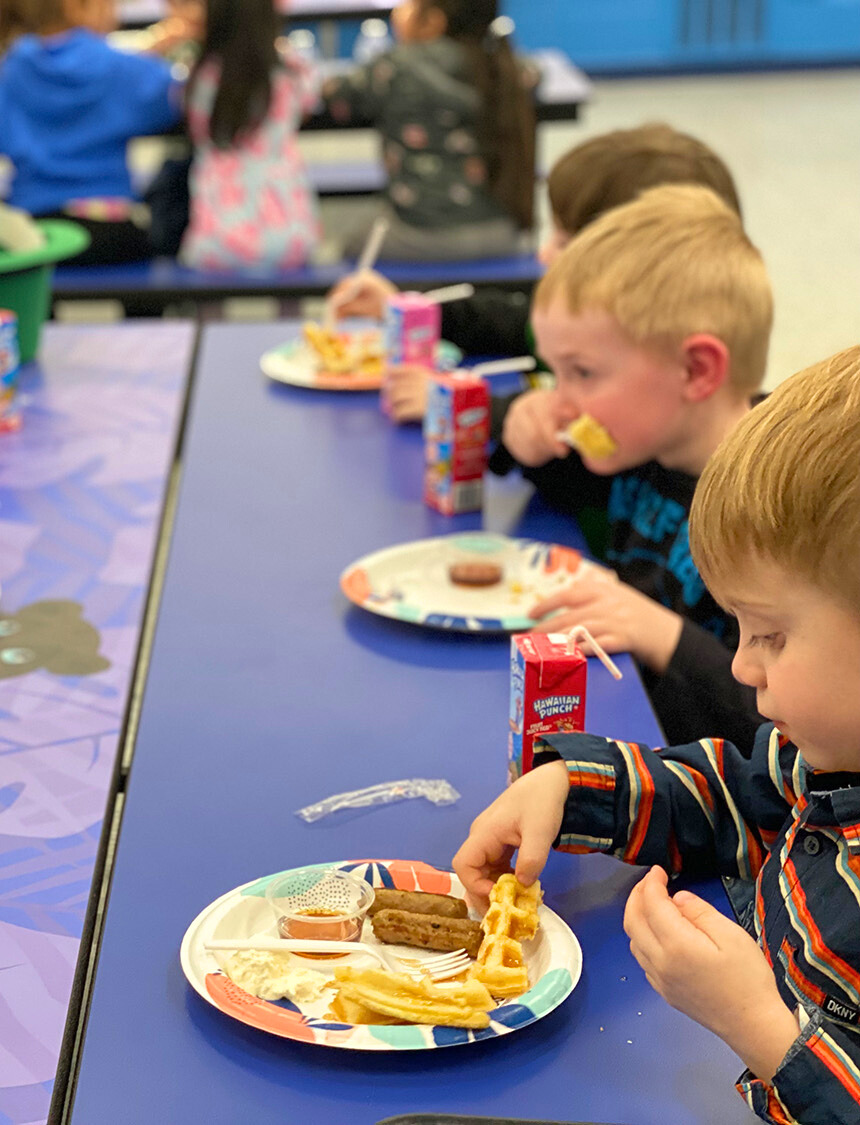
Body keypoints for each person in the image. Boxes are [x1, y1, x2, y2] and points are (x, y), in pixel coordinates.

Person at [456, 345, 860, 1125]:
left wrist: (765, 1029)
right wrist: (575, 787)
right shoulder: (827, 755)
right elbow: (739, 794)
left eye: (771, 635)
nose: (741, 665)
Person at [500, 183, 770, 750]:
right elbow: (554, 465)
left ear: (696, 371)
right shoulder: (645, 444)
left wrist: (663, 635)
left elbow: (783, 728)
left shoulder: (778, 512)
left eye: (583, 373)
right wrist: (517, 425)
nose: (563, 400)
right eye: (555, 374)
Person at [325, 124, 744, 423]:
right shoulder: (592, 333)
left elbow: (575, 443)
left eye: (564, 244)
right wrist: (413, 312)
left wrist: (464, 408)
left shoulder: (652, 384)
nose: (545, 255)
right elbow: (506, 321)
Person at [0, 0, 182, 266]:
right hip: (113, 223)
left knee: (31, 274)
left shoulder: (10, 69)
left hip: (36, 225)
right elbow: (174, 100)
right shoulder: (118, 66)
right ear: (78, 7)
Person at [322, 0, 536, 262]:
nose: (398, 10)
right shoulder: (505, 65)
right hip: (502, 232)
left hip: (418, 233)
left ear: (433, 22)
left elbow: (336, 93)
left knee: (351, 248)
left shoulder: (393, 67)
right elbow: (536, 73)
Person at [177, 0, 320, 271]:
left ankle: (209, 315)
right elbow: (308, 102)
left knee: (209, 292)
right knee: (290, 292)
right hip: (289, 230)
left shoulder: (199, 77)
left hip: (216, 234)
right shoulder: (292, 74)